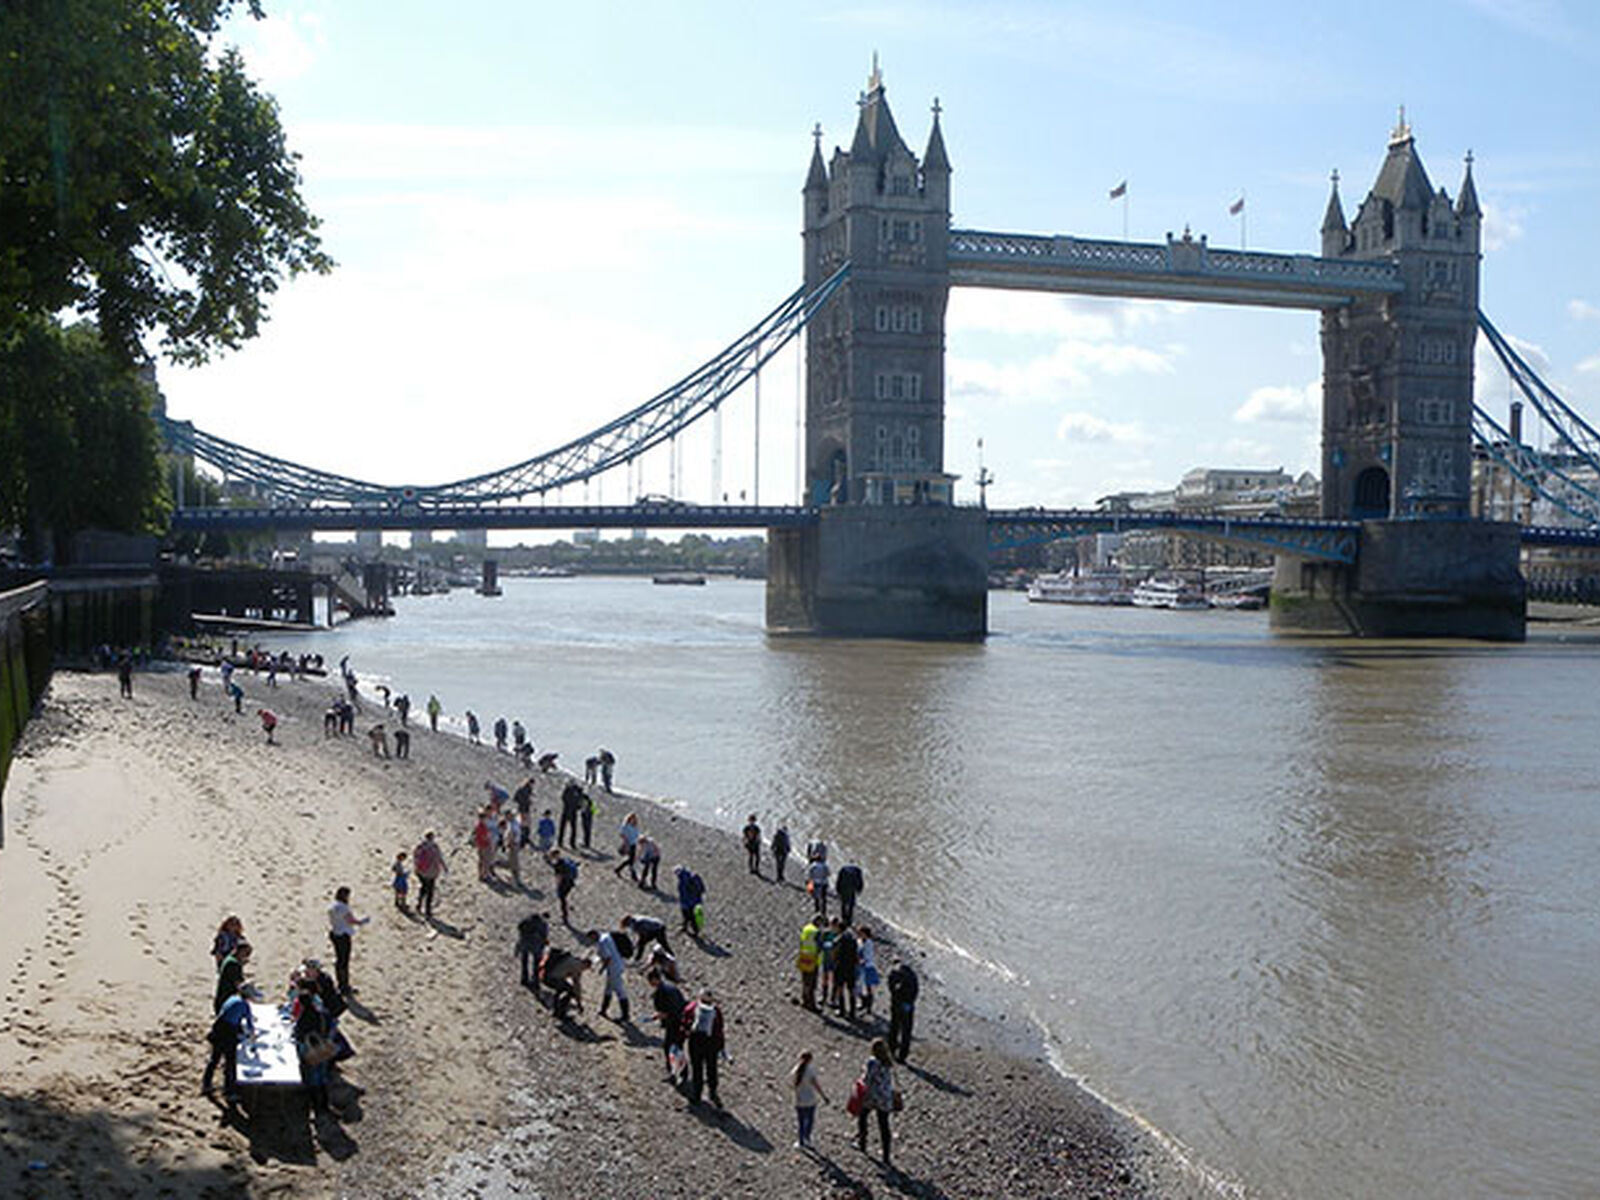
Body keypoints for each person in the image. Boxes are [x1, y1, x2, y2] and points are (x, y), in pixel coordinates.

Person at [202, 981, 258, 1104]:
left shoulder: (232, 998)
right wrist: (252, 1035)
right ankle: (229, 1092)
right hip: (228, 1034)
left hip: (218, 1029)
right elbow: (249, 1023)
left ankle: (206, 1084)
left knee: (214, 1058)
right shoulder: (244, 1005)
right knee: (230, 1063)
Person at [292, 977, 339, 1120]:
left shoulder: (304, 1018)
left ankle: (314, 1107)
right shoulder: (320, 1014)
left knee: (311, 1079)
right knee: (322, 1079)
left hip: (310, 1050)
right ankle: (325, 1106)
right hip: (322, 1049)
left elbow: (299, 1035)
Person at [680, 987, 725, 1110]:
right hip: (711, 1044)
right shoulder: (716, 1011)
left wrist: (683, 1038)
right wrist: (721, 1046)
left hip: (696, 1043)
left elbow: (684, 1025)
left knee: (697, 1068)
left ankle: (697, 1094)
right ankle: (713, 1091)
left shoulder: (691, 1008)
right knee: (712, 1067)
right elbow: (719, 1030)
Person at [854, 1038, 898, 1162]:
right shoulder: (888, 1062)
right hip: (885, 1097)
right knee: (884, 1125)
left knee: (863, 1117)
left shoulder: (872, 1062)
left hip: (872, 1096)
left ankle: (862, 1143)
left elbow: (867, 1079)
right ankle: (886, 1155)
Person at [327, 886, 369, 996]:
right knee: (344, 961)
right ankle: (344, 986)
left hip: (335, 933)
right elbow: (351, 920)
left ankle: (341, 984)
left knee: (339, 960)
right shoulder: (343, 908)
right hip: (343, 935)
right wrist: (363, 921)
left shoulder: (332, 906)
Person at [648, 967, 688, 1084]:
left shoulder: (662, 991)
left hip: (674, 1024)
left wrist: (663, 1016)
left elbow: (671, 1011)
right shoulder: (670, 987)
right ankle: (679, 1073)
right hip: (680, 1022)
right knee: (677, 1048)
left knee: (670, 1048)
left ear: (655, 979)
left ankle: (676, 1073)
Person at [792, 1049, 828, 1150]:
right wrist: (824, 1096)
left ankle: (800, 1141)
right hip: (810, 1099)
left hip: (799, 1100)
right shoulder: (810, 1071)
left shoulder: (796, 1070)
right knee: (810, 1120)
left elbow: (793, 1086)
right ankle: (807, 1138)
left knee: (801, 1121)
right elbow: (816, 1085)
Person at [592, 928, 630, 1022]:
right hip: (618, 965)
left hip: (613, 968)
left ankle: (625, 1015)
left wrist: (601, 969)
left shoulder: (601, 942)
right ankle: (603, 1010)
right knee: (608, 989)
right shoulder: (606, 936)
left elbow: (607, 958)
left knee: (619, 991)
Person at [540, 946, 589, 1019]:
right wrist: (579, 1004)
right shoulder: (577, 967)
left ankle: (557, 1010)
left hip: (546, 975)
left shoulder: (573, 960)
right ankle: (560, 1012)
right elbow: (576, 986)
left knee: (561, 990)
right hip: (551, 978)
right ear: (585, 964)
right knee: (570, 991)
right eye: (586, 968)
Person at [887, 960, 919, 1063]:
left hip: (897, 1003)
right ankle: (903, 1055)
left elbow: (891, 987)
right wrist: (911, 1001)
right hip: (908, 1005)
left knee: (894, 1027)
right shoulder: (912, 975)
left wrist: (894, 997)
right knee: (906, 1030)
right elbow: (916, 990)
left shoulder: (893, 972)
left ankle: (892, 1049)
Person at [414, 830, 447, 919]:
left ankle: (419, 904)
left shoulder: (421, 846)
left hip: (422, 872)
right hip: (432, 873)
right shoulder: (435, 847)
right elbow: (440, 858)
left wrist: (417, 869)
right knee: (430, 892)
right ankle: (427, 911)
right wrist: (445, 868)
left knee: (424, 888)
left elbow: (416, 858)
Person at [831, 922, 859, 1019]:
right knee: (851, 989)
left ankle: (842, 1010)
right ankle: (852, 1011)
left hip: (840, 967)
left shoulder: (838, 939)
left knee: (840, 988)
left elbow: (834, 953)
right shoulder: (853, 939)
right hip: (851, 967)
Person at [516, 911, 550, 994]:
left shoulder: (527, 920)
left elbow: (519, 927)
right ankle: (535, 981)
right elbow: (544, 936)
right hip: (536, 945)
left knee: (524, 962)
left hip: (524, 943)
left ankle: (524, 979)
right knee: (536, 963)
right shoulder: (543, 924)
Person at [214, 941, 252, 1013]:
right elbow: (238, 984)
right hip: (225, 1001)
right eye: (246, 954)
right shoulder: (233, 964)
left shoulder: (230, 959)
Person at [548, 849, 579, 924]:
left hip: (564, 883)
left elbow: (559, 877)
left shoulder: (558, 865)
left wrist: (558, 886)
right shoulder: (566, 860)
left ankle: (565, 916)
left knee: (562, 899)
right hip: (570, 882)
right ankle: (565, 915)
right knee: (564, 898)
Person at [797, 917, 820, 1011]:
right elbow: (819, 946)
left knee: (805, 981)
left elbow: (801, 942)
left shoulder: (806, 929)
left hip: (804, 957)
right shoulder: (816, 931)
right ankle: (811, 1004)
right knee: (812, 983)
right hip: (813, 959)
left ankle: (805, 1001)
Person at [674, 865, 704, 936]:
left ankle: (694, 931)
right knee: (689, 916)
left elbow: (683, 891)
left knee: (690, 916)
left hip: (688, 902)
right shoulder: (693, 876)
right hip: (694, 900)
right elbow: (701, 889)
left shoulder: (684, 879)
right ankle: (686, 927)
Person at [856, 926, 880, 1014]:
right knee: (859, 986)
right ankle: (863, 1002)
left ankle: (869, 1007)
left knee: (868, 987)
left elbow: (869, 955)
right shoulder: (859, 941)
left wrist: (863, 961)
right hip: (860, 966)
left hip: (868, 967)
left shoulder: (869, 943)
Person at [836, 861, 864, 926]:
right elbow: (860, 880)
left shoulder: (843, 869)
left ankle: (843, 917)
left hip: (844, 887)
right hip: (852, 888)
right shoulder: (857, 870)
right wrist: (859, 889)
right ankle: (849, 918)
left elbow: (839, 879)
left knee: (843, 903)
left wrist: (838, 888)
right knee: (851, 903)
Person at [558, 781, 585, 849]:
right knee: (572, 828)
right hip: (572, 811)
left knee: (564, 827)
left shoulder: (569, 789)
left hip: (567, 810)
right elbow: (580, 803)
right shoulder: (579, 792)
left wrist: (569, 805)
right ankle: (571, 843)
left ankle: (561, 842)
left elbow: (563, 798)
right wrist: (576, 807)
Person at [615, 812, 641, 880]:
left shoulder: (635, 827)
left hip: (634, 844)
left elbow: (637, 836)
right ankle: (633, 875)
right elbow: (621, 834)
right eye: (633, 818)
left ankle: (619, 869)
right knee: (631, 860)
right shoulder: (625, 826)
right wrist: (626, 843)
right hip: (628, 844)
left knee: (631, 860)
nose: (634, 820)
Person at [473, 809, 496, 882]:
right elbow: (484, 837)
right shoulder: (481, 826)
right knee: (485, 861)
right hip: (484, 845)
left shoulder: (480, 825)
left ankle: (482, 875)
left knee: (482, 860)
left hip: (481, 845)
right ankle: (484, 875)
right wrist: (489, 841)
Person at [807, 853, 830, 918]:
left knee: (816, 898)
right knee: (823, 898)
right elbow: (828, 874)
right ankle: (823, 911)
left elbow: (809, 875)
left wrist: (809, 883)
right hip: (824, 883)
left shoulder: (813, 866)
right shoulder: (825, 865)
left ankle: (817, 910)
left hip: (816, 883)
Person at [513, 777, 535, 843]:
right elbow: (522, 798)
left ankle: (524, 836)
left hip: (524, 808)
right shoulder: (525, 789)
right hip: (524, 808)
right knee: (525, 823)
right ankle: (523, 837)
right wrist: (528, 801)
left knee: (525, 822)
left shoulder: (524, 788)